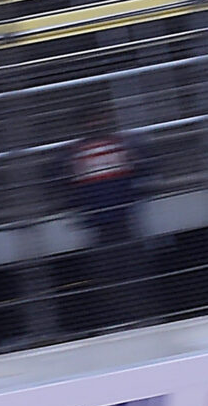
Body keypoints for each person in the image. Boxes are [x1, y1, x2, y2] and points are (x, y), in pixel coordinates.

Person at [61, 107, 152, 329]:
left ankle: (138, 318)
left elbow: (145, 167)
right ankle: (119, 320)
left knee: (130, 271)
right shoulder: (76, 152)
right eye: (93, 119)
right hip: (100, 223)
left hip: (121, 219)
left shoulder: (122, 144)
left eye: (100, 118)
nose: (96, 124)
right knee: (109, 274)